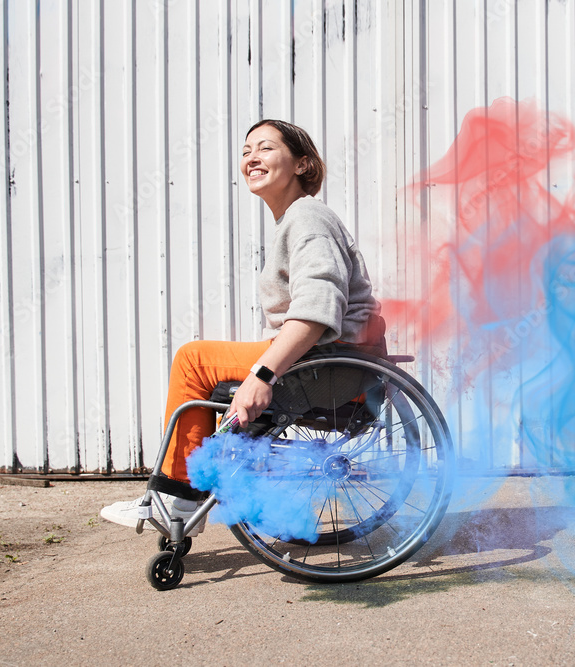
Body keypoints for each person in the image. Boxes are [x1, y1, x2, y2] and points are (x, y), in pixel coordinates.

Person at [101, 119, 382, 534]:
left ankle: (176, 498)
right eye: (247, 150)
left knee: (194, 360)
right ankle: (186, 497)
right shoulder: (296, 220)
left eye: (266, 148)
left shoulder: (307, 218)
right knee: (212, 373)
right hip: (330, 362)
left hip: (334, 367)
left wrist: (263, 374)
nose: (252, 157)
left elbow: (319, 309)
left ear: (302, 164)